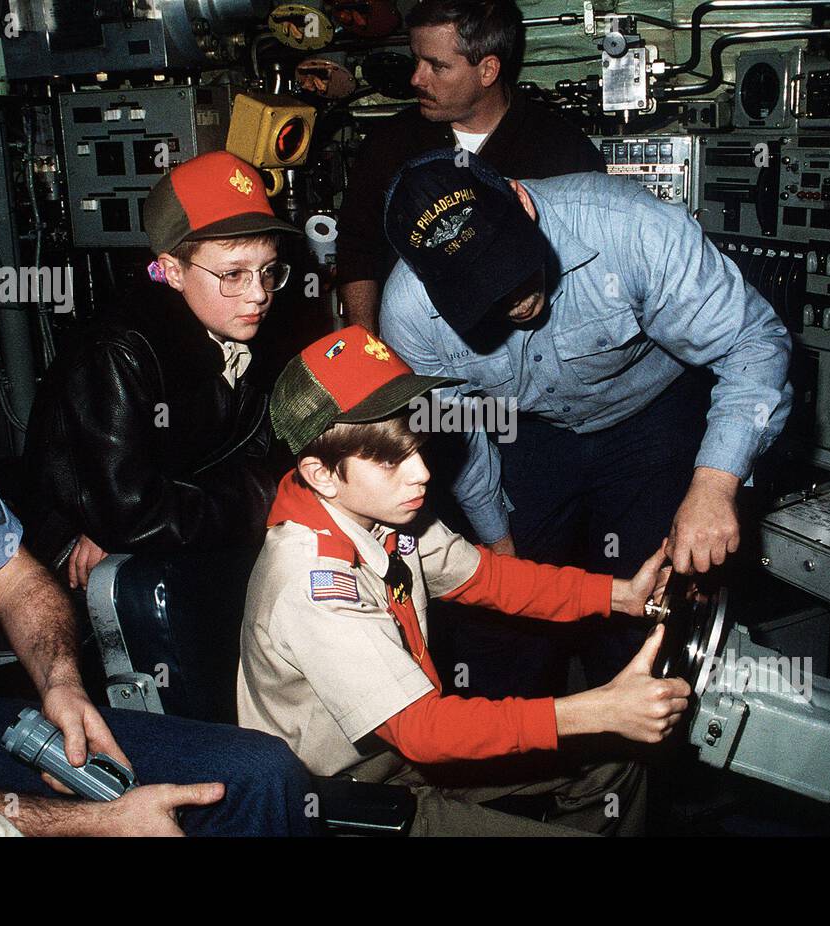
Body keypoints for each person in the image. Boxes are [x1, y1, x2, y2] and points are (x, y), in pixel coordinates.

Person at [0, 180, 316, 836]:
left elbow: (15, 578)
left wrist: (60, 683)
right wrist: (91, 823)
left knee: (262, 775)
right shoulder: (124, 351)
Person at [236, 326, 692, 835]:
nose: (421, 474)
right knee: (602, 725)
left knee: (616, 758)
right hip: (349, 795)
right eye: (392, 459)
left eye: (416, 447)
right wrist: (593, 707)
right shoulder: (313, 584)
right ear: (321, 474)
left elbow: (489, 579)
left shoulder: (378, 512)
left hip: (407, 753)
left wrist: (621, 596)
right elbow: (423, 731)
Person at [378, 150, 794, 698]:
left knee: (644, 609)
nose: (516, 304)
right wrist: (497, 539)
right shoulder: (409, 317)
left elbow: (753, 343)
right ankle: (524, 770)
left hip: (652, 416)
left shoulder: (631, 226)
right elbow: (461, 430)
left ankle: (626, 761)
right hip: (527, 430)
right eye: (482, 295)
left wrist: (715, 484)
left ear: (522, 203)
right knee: (508, 621)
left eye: (512, 268)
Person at [23, 151, 299, 590]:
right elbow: (131, 513)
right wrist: (269, 499)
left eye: (268, 271)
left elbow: (279, 454)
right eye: (233, 275)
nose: (259, 294)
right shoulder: (119, 354)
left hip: (187, 537)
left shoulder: (244, 328)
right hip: (73, 566)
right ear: (172, 271)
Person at [336, 0, 604, 332]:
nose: (416, 78)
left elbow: (590, 263)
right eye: (416, 59)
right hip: (425, 345)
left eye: (436, 66)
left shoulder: (561, 150)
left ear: (488, 70)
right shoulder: (390, 145)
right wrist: (363, 342)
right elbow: (357, 246)